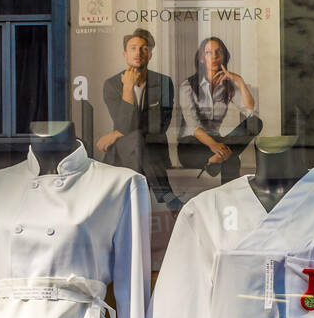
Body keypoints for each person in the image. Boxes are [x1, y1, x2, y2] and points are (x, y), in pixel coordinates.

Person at [97, 27, 179, 207]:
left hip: (151, 145)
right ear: (125, 54)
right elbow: (123, 122)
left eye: (144, 48)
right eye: (133, 48)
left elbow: (159, 126)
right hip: (125, 151)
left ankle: (132, 202)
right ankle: (165, 195)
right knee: (136, 139)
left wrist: (116, 134)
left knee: (138, 139)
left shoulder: (164, 83)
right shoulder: (112, 85)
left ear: (150, 54)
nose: (138, 52)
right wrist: (127, 88)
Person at [176, 36, 262, 183]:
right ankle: (229, 196)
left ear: (223, 57)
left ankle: (214, 162)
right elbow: (193, 125)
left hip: (217, 140)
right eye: (209, 52)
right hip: (191, 145)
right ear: (202, 58)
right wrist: (215, 146)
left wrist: (239, 80)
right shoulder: (188, 85)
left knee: (255, 122)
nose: (214, 56)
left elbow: (250, 109)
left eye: (218, 52)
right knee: (232, 159)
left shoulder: (228, 86)